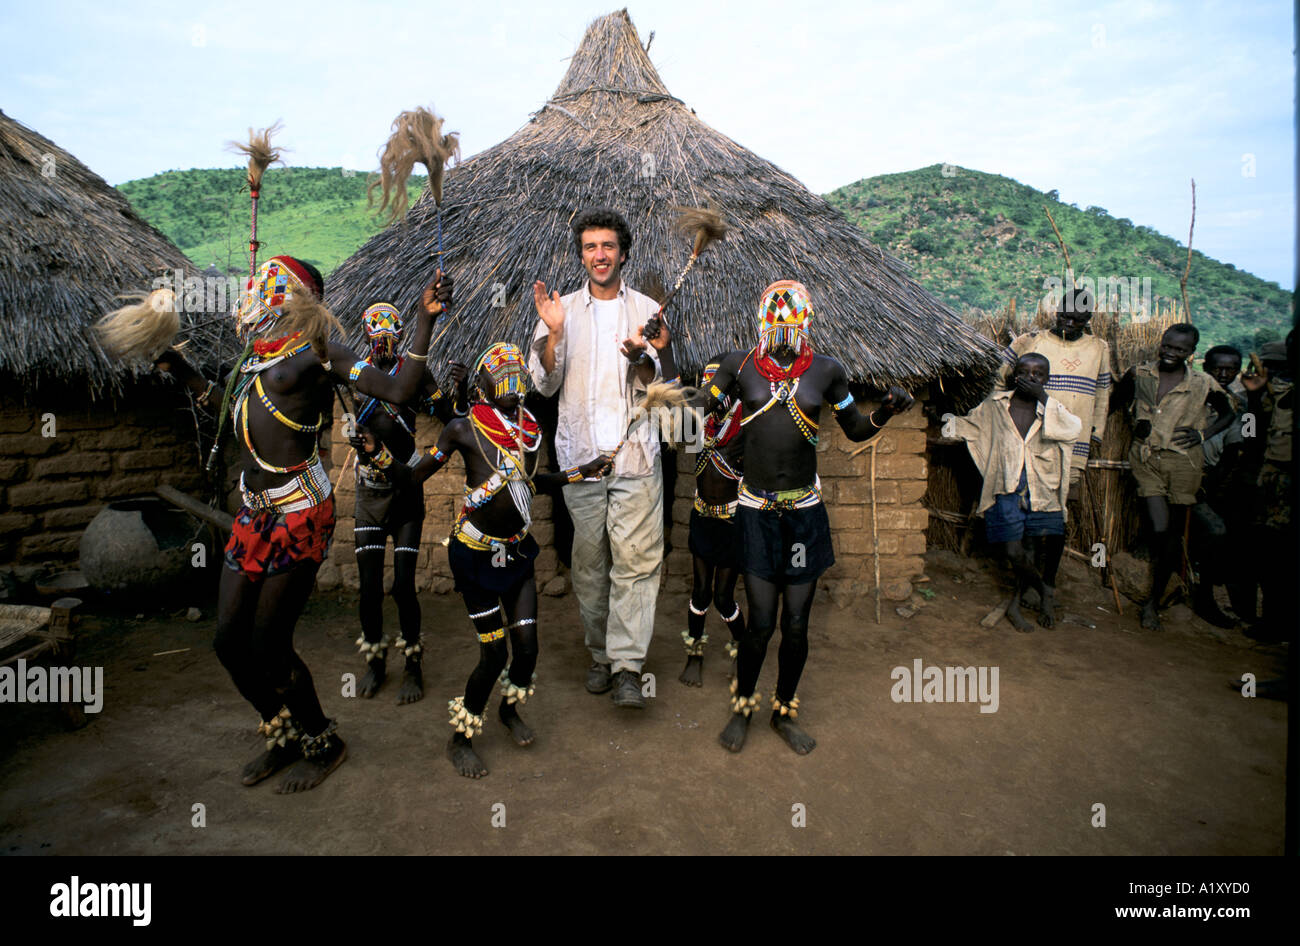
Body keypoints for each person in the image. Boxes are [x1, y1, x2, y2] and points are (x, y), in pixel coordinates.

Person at [156, 256, 451, 792]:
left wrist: (426, 320)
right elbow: (232, 411)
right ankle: (282, 730)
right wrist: (185, 374)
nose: (259, 291)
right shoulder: (254, 358)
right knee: (227, 641)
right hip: (254, 514)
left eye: (274, 284)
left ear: (300, 297)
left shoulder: (319, 351)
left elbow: (402, 390)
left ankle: (323, 739)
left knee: (269, 644)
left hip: (298, 512)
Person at [357, 343, 610, 778]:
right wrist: (379, 455)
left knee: (527, 650)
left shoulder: (530, 429)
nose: (512, 383)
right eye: (502, 376)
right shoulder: (463, 428)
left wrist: (581, 471)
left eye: (517, 374)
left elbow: (534, 483)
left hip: (516, 552)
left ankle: (508, 711)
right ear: (484, 387)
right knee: (493, 655)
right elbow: (416, 476)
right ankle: (460, 739)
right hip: (475, 555)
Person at [702, 280, 913, 754]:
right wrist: (695, 403)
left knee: (796, 624)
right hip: (757, 514)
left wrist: (886, 412)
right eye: (775, 325)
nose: (782, 334)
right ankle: (742, 708)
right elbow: (708, 403)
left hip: (802, 516)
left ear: (806, 324)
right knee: (760, 623)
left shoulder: (826, 371)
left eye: (791, 325)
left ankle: (784, 711)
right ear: (761, 323)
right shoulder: (738, 366)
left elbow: (856, 429)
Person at [527, 207, 669, 709]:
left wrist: (644, 356)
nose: (599, 255)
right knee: (589, 567)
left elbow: (662, 386)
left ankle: (628, 666)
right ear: (582, 255)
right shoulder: (560, 310)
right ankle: (600, 656)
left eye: (607, 246)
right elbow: (544, 382)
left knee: (636, 564)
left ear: (622, 253)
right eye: (590, 247)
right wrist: (557, 335)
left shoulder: (649, 311)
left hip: (635, 458)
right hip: (580, 460)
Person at [348, 300, 465, 704]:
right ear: (365, 336)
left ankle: (413, 665)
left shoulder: (414, 374)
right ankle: (375, 662)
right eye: (375, 335)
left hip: (406, 490)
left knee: (402, 586)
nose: (382, 342)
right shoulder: (356, 374)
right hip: (368, 491)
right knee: (368, 588)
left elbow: (449, 415)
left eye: (389, 335)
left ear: (399, 336)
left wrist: (461, 390)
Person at [943, 354, 1082, 630]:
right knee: (1013, 550)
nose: (1031, 378)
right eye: (1024, 372)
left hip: (1042, 488)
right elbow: (970, 426)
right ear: (1013, 376)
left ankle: (1017, 605)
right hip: (1005, 487)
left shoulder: (1051, 409)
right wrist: (943, 418)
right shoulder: (995, 406)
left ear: (1047, 379)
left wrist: (1043, 397)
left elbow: (1073, 428)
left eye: (1038, 374)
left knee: (1032, 548)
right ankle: (1044, 591)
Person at [1109, 323, 1234, 630]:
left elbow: (1229, 413)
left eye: (1179, 349)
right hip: (1146, 458)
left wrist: (1203, 435)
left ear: (1191, 354)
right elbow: (1114, 403)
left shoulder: (1203, 384)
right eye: (1167, 346)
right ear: (1161, 343)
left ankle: (1153, 600)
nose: (1170, 353)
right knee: (1161, 526)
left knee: (1173, 532)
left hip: (1184, 464)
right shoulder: (1140, 374)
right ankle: (1152, 599)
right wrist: (1134, 420)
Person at [999, 287, 1111, 493]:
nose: (1068, 323)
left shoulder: (1098, 348)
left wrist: (1097, 432)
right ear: (1057, 312)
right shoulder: (1030, 341)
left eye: (1076, 320)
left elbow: (1102, 392)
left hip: (1074, 434)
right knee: (1021, 488)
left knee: (1062, 496)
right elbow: (999, 378)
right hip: (1031, 430)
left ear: (1088, 319)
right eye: (1064, 317)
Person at [679, 358, 746, 687]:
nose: (714, 399)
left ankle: (742, 649)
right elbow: (679, 432)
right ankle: (694, 655)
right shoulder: (697, 427)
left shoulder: (744, 425)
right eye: (708, 392)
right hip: (702, 516)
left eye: (717, 391)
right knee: (701, 592)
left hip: (733, 522)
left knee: (724, 597)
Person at [1239, 335, 1295, 643]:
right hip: (1271, 485)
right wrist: (1254, 397)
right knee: (1270, 557)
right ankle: (1273, 622)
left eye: (1279, 369)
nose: (1272, 374)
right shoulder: (1274, 396)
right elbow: (1252, 433)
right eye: (1268, 368)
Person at [1187, 345, 1247, 627]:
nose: (1223, 375)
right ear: (1204, 367)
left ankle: (1211, 593)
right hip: (1178, 473)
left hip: (1209, 478)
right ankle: (1203, 597)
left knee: (1223, 532)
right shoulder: (1188, 395)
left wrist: (1211, 485)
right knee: (1212, 530)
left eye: (1230, 369)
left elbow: (1234, 452)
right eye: (1216, 369)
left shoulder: (1235, 406)